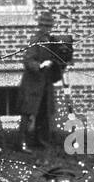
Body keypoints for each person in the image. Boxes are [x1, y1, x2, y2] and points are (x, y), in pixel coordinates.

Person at [18, 13, 62, 149]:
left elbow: (56, 58)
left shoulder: (51, 40)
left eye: (49, 26)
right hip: (32, 83)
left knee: (43, 113)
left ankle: (40, 140)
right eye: (44, 26)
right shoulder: (35, 40)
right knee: (27, 113)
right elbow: (27, 60)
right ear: (40, 25)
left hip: (45, 84)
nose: (47, 28)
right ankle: (21, 142)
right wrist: (40, 65)